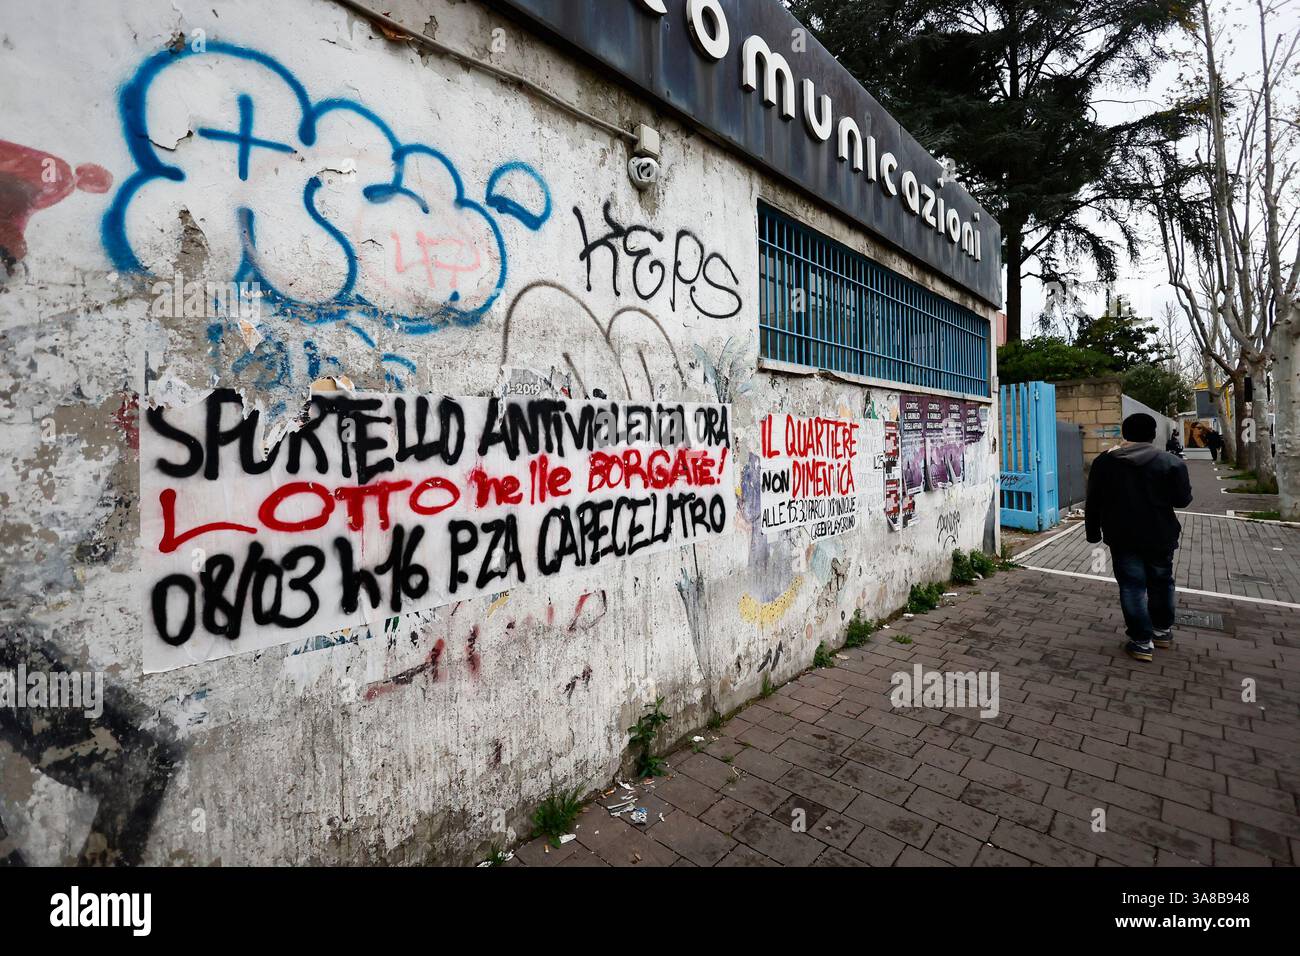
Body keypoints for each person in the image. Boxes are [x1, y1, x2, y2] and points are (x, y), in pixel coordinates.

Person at [1085, 413, 1193, 662]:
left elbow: (1094, 501)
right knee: (1162, 581)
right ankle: (1162, 632)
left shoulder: (1104, 462)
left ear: (1125, 434)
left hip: (1122, 535)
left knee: (1132, 585)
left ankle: (1141, 642)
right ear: (1153, 434)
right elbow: (1183, 500)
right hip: (1160, 534)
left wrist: (1093, 532)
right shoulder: (1171, 463)